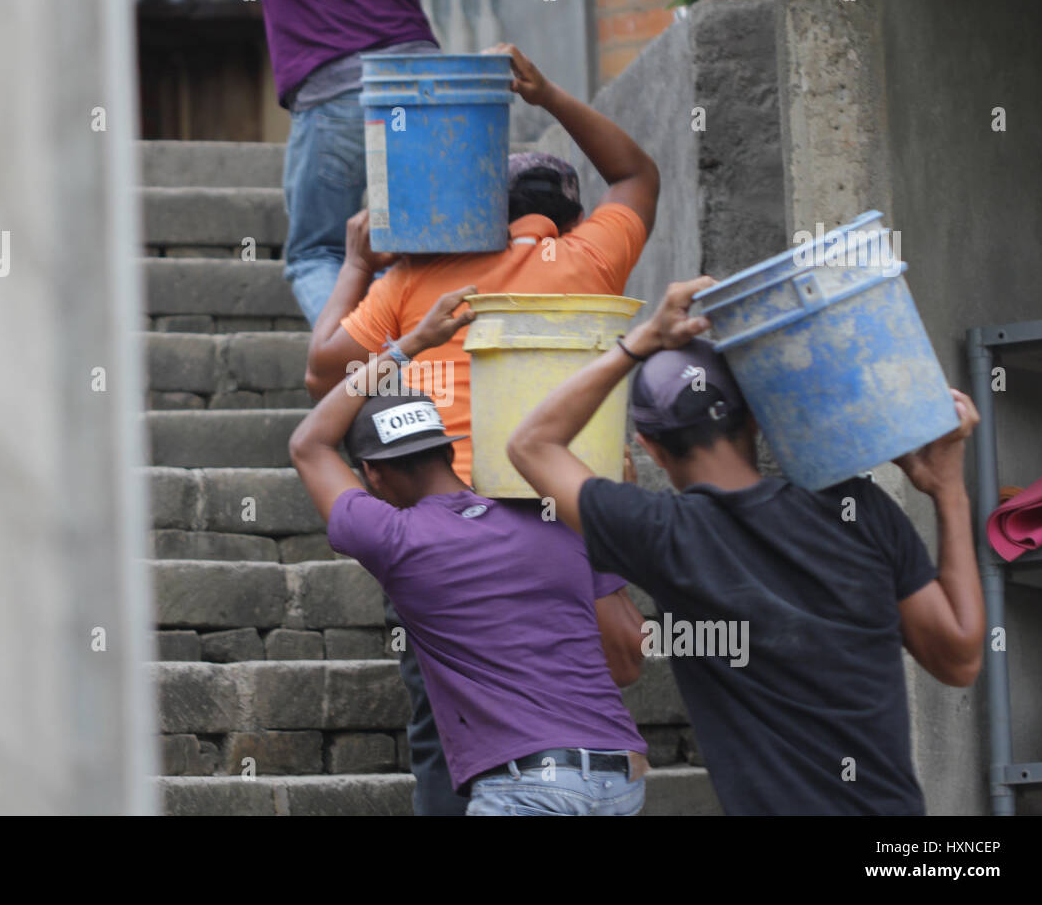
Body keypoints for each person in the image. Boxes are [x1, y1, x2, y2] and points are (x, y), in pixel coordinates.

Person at [506, 276, 987, 814]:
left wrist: (638, 341)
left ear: (649, 448)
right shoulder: (858, 509)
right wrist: (947, 488)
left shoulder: (660, 533)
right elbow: (960, 659)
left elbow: (531, 444)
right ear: (756, 417)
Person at [288, 289, 651, 816]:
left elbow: (309, 444)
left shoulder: (393, 539)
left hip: (524, 790)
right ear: (449, 449)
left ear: (372, 474)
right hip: (620, 777)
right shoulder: (548, 517)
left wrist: (410, 344)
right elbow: (627, 659)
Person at [305, 44, 661, 491]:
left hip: (457, 500)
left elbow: (323, 377)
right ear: (573, 224)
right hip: (572, 493)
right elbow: (635, 175)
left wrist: (356, 265)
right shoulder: (589, 258)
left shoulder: (415, 278)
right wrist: (547, 94)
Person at [254, 0, 474, 323]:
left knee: (316, 254)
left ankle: (355, 360)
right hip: (419, 85)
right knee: (414, 249)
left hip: (337, 88)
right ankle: (404, 361)